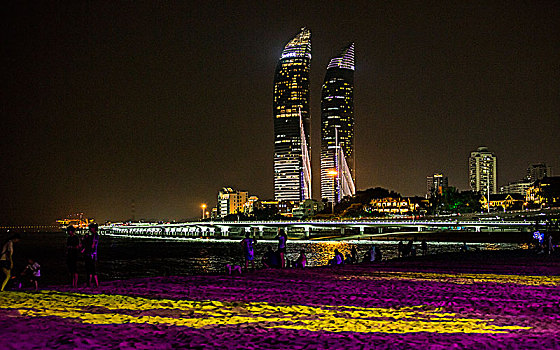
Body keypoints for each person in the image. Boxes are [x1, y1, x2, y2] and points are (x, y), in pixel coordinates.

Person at [83, 223, 100, 287]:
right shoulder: (94, 235)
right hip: (92, 254)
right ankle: (94, 283)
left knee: (91, 269)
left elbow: (92, 245)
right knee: (92, 269)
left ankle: (92, 283)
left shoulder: (94, 236)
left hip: (92, 254)